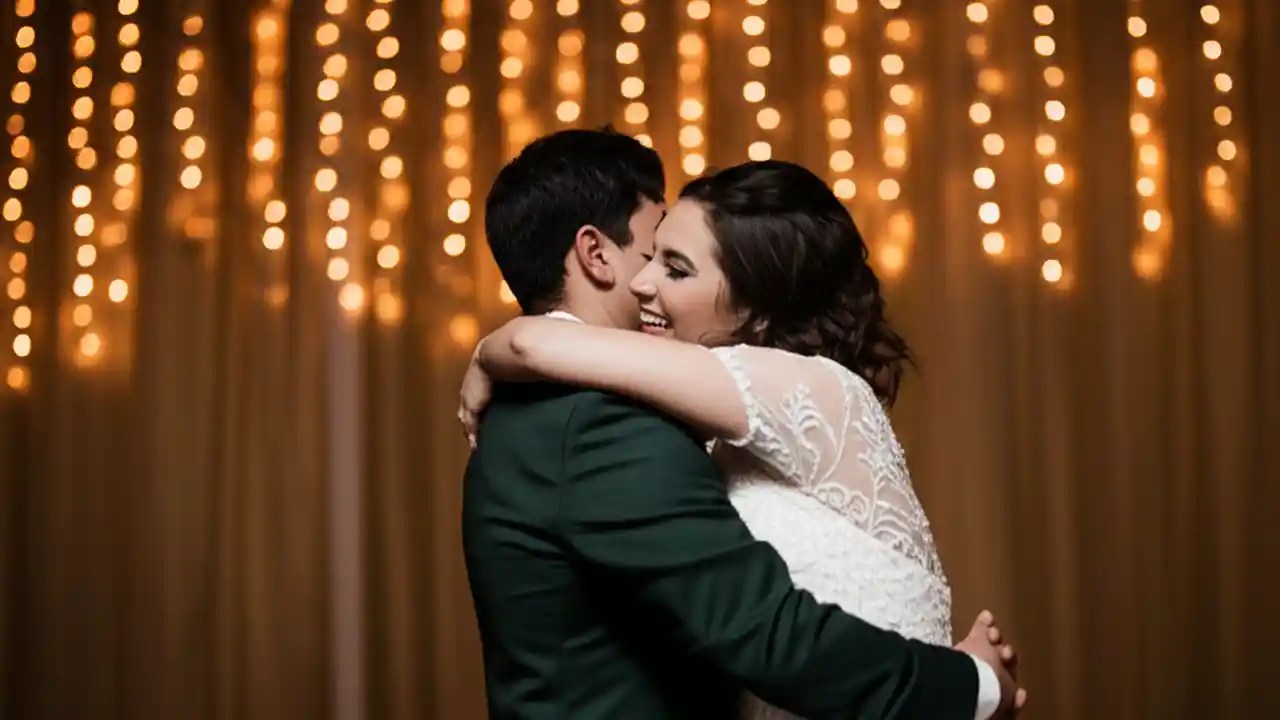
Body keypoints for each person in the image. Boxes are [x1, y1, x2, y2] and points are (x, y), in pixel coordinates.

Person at [461, 128, 1024, 719]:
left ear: (752, 302)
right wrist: (974, 686)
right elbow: (763, 633)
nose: (648, 280)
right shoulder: (602, 420)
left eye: (672, 265)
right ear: (596, 253)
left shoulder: (534, 406)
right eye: (652, 252)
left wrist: (493, 350)